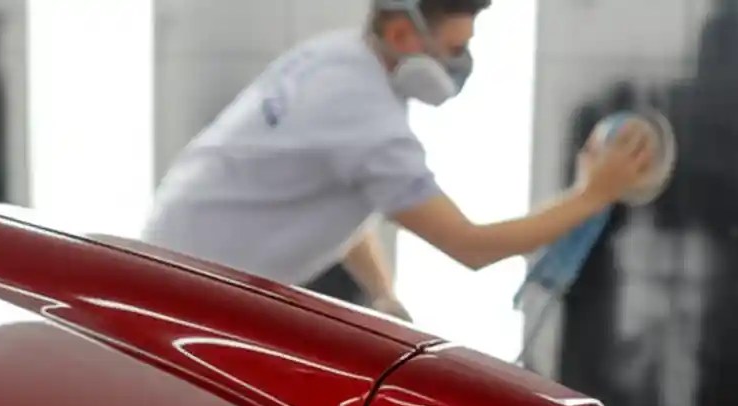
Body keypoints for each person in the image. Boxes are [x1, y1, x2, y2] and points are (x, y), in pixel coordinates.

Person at [141, 0, 655, 320]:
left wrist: (383, 292)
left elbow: (336, 193)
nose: (461, 65)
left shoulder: (336, 57)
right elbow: (471, 246)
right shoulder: (368, 122)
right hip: (187, 300)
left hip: (163, 264)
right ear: (402, 35)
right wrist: (595, 193)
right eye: (455, 48)